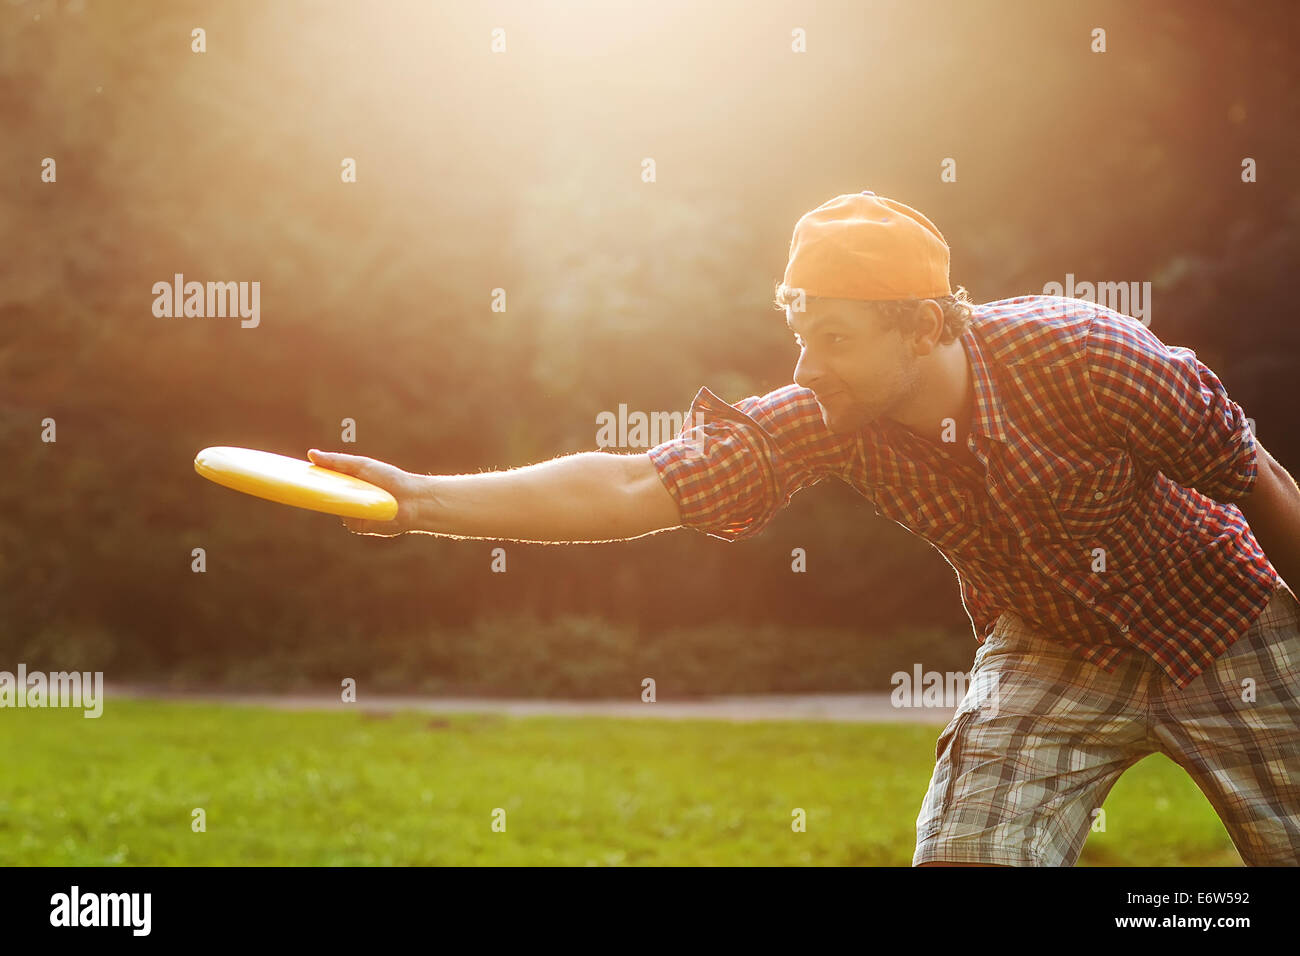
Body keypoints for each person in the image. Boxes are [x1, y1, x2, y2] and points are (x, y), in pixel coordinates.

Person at [308, 190, 1300, 866]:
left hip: (1224, 624)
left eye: (832, 335)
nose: (804, 364)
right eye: (798, 328)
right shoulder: (827, 413)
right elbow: (627, 484)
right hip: (1049, 650)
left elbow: (1250, 476)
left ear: (922, 326)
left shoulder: (1085, 355)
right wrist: (420, 500)